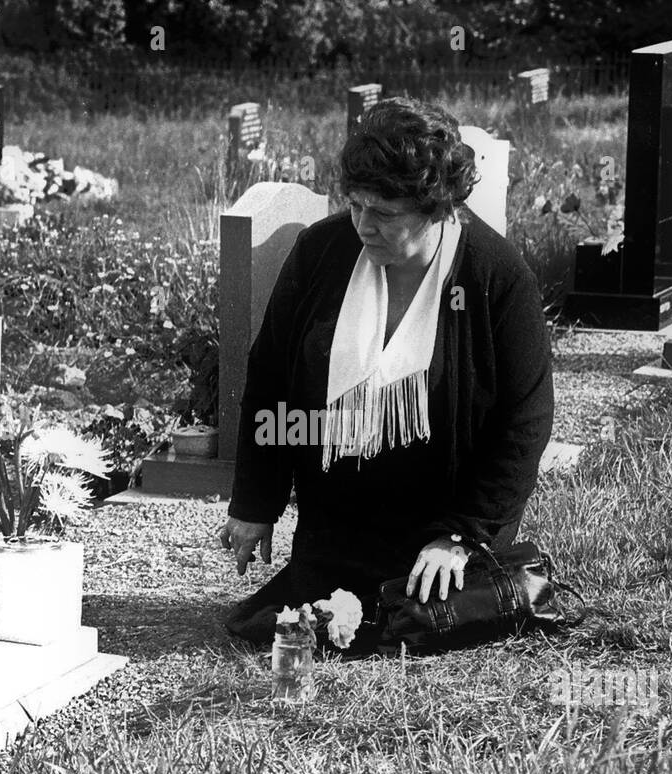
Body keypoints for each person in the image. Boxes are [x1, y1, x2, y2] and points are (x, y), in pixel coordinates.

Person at [218, 97, 554, 652]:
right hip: (336, 523)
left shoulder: (496, 276)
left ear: (438, 208)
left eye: (385, 213)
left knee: (412, 617)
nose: (363, 225)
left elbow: (525, 418)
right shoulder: (322, 252)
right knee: (317, 616)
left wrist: (461, 535)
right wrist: (255, 503)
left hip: (437, 527)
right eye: (356, 205)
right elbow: (271, 376)